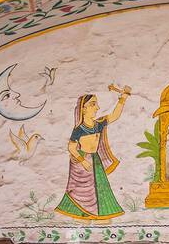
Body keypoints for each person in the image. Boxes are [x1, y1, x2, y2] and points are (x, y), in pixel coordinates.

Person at [55, 88, 130, 220]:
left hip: (95, 160)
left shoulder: (98, 124)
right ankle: (83, 214)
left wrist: (122, 99)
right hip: (83, 161)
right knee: (82, 191)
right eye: (93, 104)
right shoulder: (79, 129)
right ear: (83, 109)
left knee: (101, 187)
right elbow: (71, 147)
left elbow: (114, 115)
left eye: (96, 104)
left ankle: (100, 214)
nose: (97, 107)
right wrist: (82, 160)